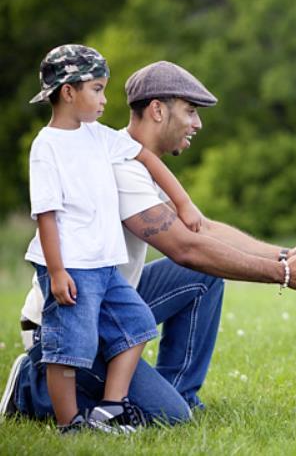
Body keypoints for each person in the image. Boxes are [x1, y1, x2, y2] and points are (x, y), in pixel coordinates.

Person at [2, 60, 296, 425]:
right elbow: (185, 248)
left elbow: (203, 231)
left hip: (108, 301)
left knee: (204, 277)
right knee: (166, 416)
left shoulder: (133, 158)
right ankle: (31, 386)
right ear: (157, 110)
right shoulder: (118, 166)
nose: (197, 123)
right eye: (190, 111)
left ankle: (178, 393)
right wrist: (284, 274)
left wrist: (285, 255)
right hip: (69, 312)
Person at [24, 45, 204, 433]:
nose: (106, 100)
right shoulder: (46, 147)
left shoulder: (98, 136)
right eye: (97, 89)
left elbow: (146, 157)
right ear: (68, 92)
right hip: (72, 265)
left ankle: (111, 407)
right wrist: (56, 271)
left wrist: (184, 203)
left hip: (105, 266)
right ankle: (66, 421)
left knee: (137, 324)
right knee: (71, 346)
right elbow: (46, 215)